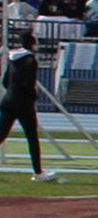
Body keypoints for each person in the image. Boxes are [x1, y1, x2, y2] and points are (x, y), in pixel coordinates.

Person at [2, 34, 54, 181]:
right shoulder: (30, 60)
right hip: (23, 103)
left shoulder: (12, 58)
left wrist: (13, 91)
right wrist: (33, 97)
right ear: (32, 44)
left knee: (1, 134)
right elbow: (28, 84)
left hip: (8, 100)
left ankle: (38, 172)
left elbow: (5, 81)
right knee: (32, 138)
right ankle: (38, 172)